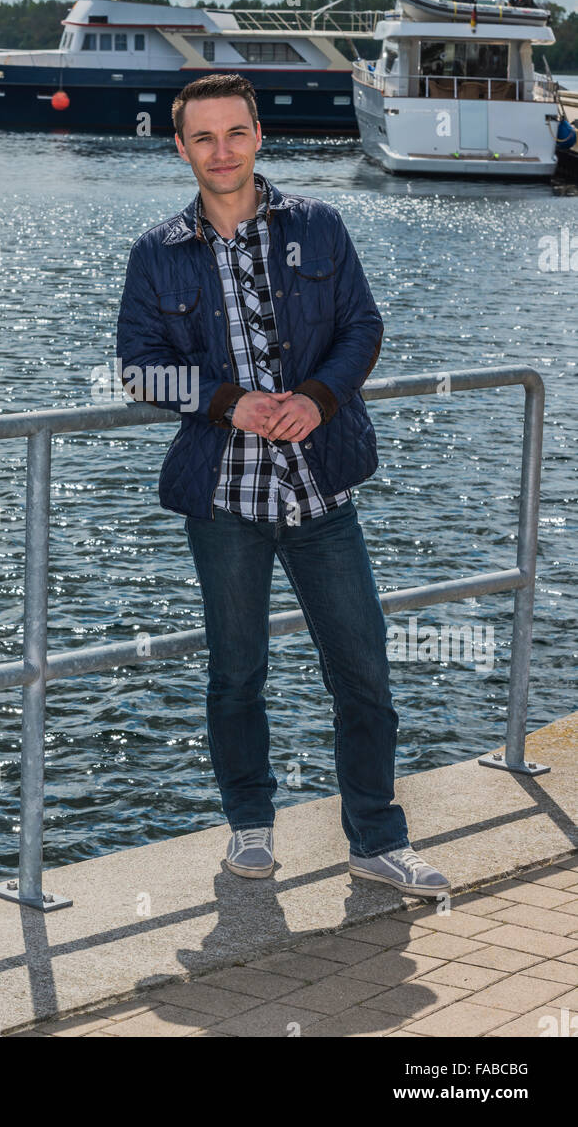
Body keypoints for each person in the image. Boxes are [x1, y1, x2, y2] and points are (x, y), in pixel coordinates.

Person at [115, 73, 449, 896]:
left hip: (320, 495)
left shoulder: (319, 227)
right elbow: (136, 370)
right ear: (180, 147)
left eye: (234, 133)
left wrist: (316, 398)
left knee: (363, 670)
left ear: (258, 136)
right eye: (202, 137)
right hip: (224, 503)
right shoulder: (157, 254)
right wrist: (229, 403)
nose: (220, 151)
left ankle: (375, 839)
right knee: (236, 674)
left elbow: (361, 326)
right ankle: (250, 830)